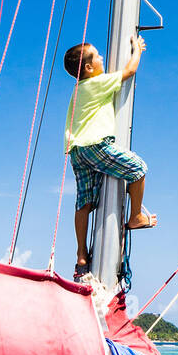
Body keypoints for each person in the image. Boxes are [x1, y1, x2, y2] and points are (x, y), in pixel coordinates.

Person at [63, 33, 154, 279]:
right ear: (90, 67)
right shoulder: (96, 82)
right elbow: (129, 72)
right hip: (95, 145)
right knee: (138, 168)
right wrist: (137, 49)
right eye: (98, 56)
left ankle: (82, 254)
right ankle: (135, 217)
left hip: (76, 151)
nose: (103, 58)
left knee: (85, 202)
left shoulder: (79, 88)